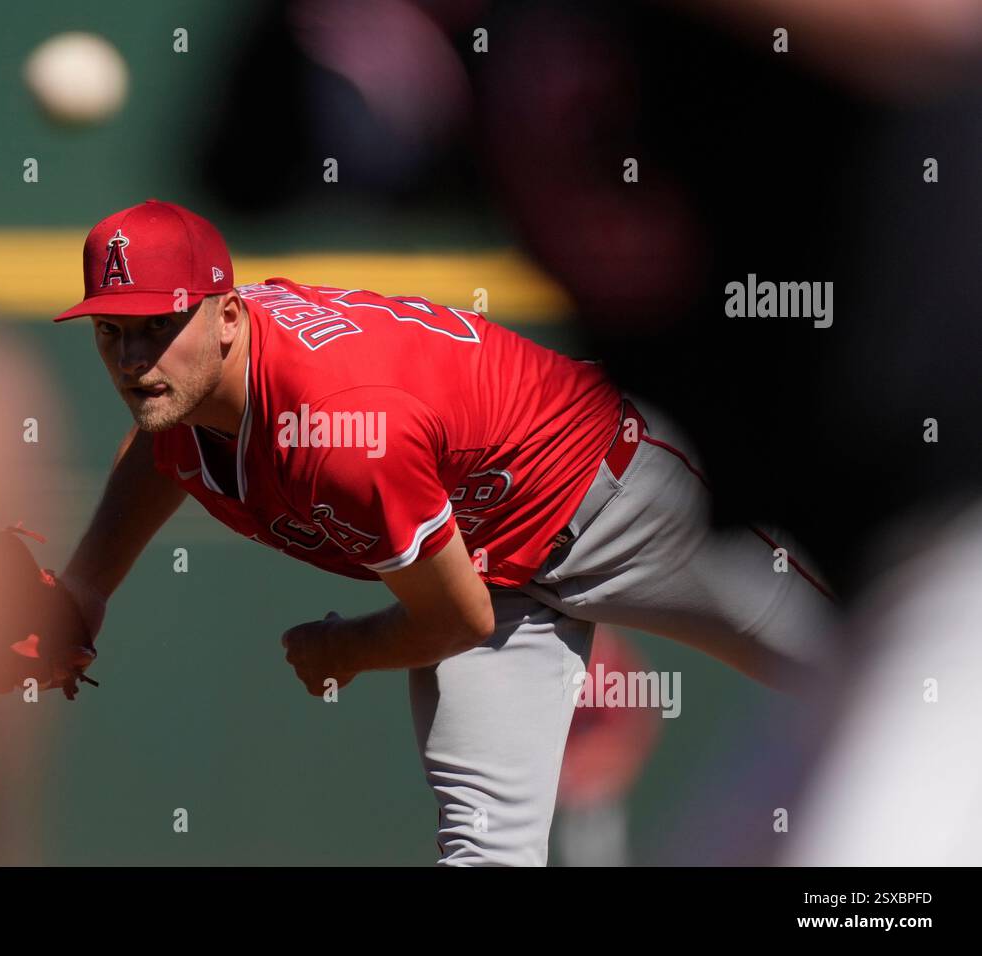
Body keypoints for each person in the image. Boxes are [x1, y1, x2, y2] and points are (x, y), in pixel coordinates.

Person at [48, 199, 835, 866]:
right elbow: (165, 445)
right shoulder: (200, 374)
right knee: (483, 848)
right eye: (112, 331)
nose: (134, 357)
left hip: (622, 500)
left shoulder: (340, 430)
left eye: (156, 324)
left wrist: (343, 650)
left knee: (872, 672)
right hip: (486, 572)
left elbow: (457, 619)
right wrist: (83, 591)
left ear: (226, 316)